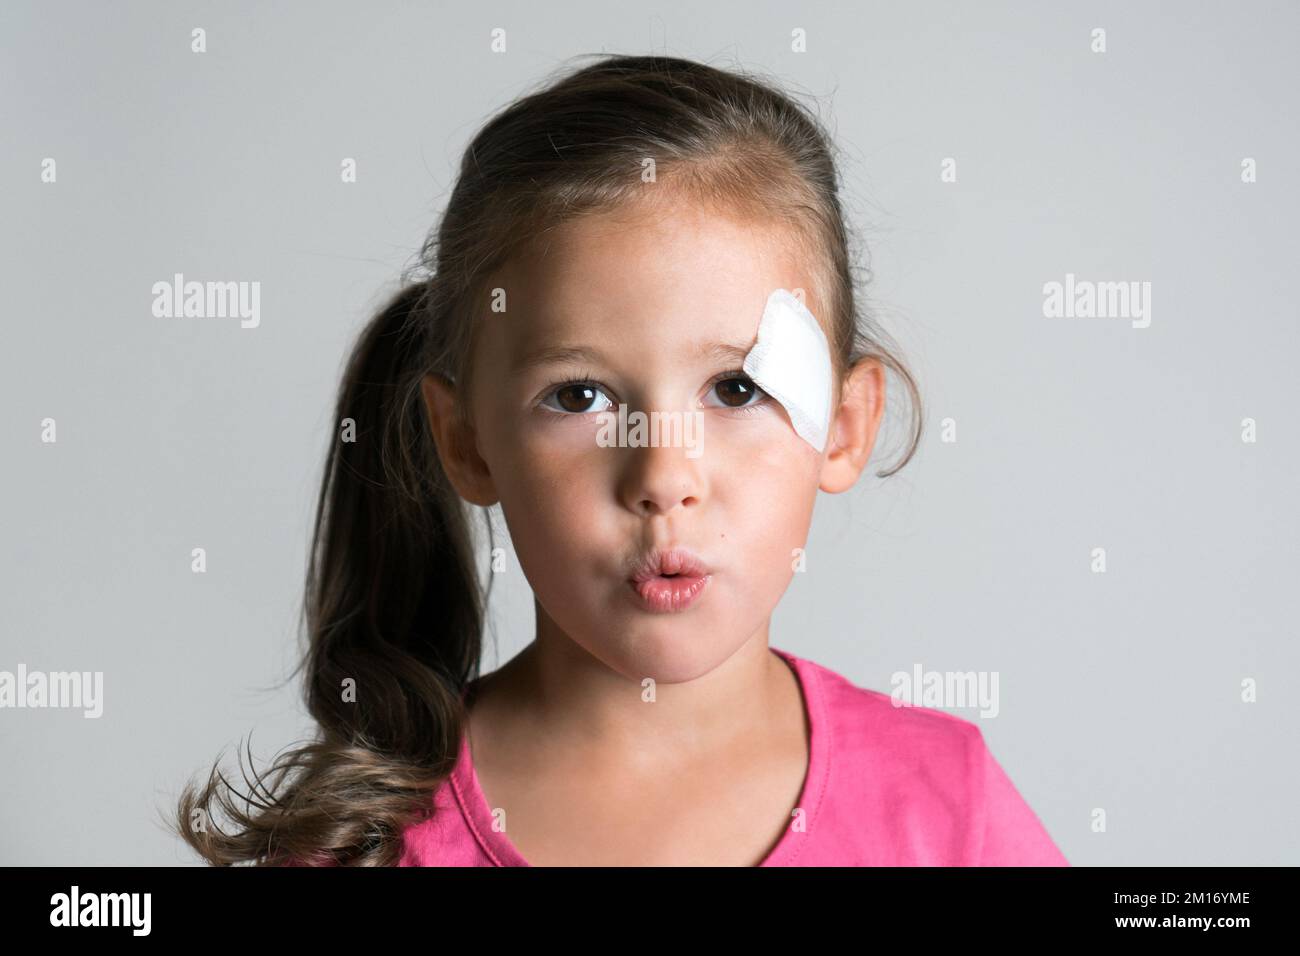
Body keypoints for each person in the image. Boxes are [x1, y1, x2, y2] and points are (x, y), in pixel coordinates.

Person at [171, 53, 1067, 867]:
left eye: (737, 390)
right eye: (581, 397)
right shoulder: (369, 848)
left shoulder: (951, 812)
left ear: (842, 423)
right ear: (466, 442)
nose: (663, 478)